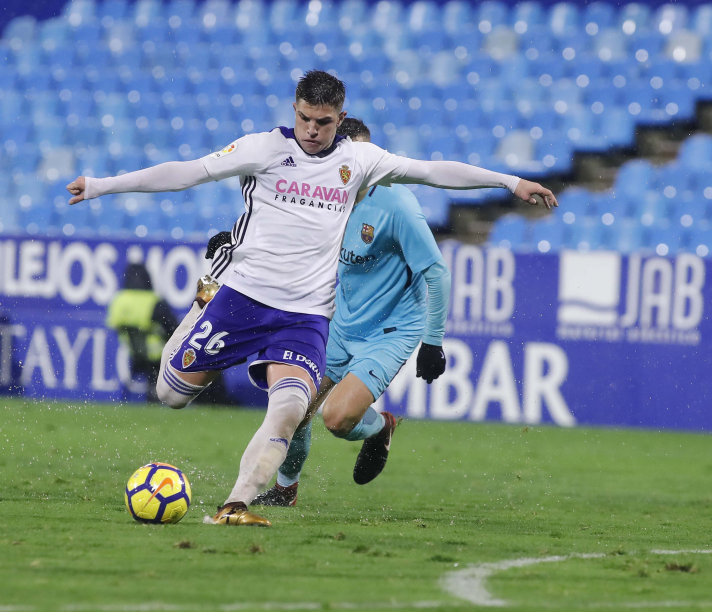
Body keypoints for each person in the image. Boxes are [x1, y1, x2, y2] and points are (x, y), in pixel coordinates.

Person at [66, 70, 557, 527]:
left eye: (324, 122)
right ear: (294, 110)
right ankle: (202, 298)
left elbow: (432, 171)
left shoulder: (360, 160)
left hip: (305, 316)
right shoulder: (263, 149)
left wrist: (509, 181)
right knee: (170, 395)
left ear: (339, 120)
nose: (312, 130)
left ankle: (236, 506)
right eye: (304, 118)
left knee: (288, 409)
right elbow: (187, 172)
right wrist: (102, 186)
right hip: (243, 297)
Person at [251, 118, 449, 506]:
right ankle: (285, 490)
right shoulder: (324, 195)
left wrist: (433, 341)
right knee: (292, 409)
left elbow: (437, 273)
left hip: (390, 330)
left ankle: (378, 430)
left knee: (337, 419)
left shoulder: (397, 206)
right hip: (341, 323)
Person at [105, 262, 178, 402]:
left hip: (134, 354)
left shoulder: (118, 301)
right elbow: (174, 329)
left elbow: (115, 326)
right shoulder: (154, 302)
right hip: (159, 355)